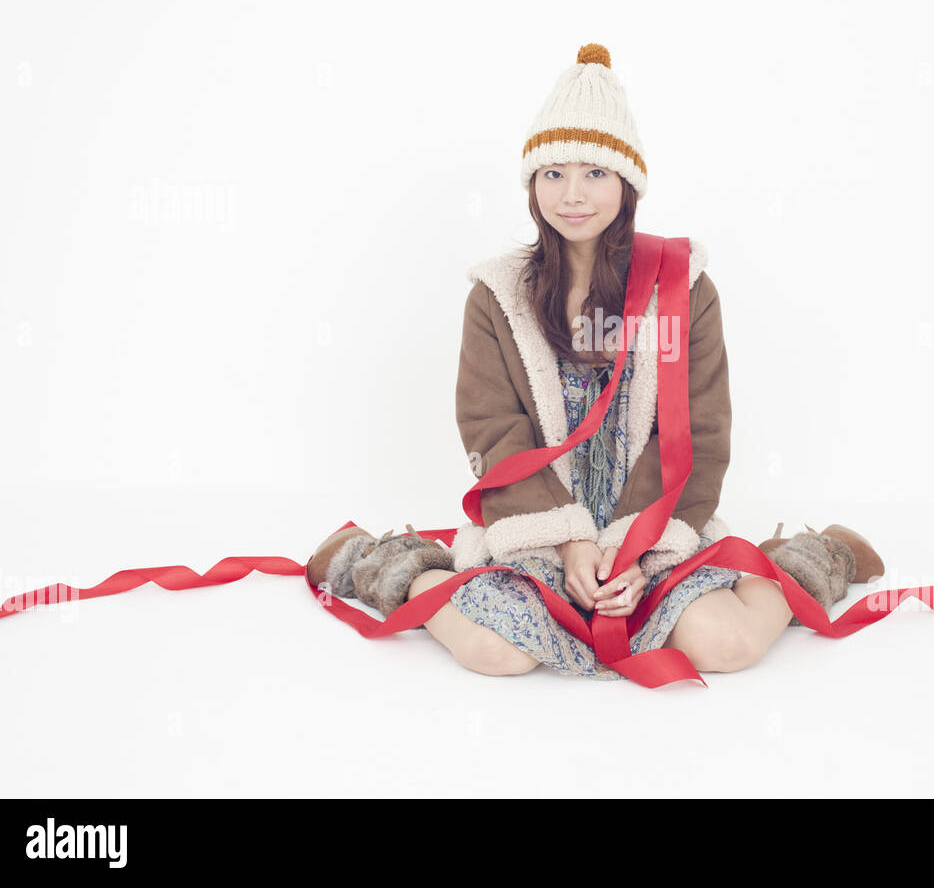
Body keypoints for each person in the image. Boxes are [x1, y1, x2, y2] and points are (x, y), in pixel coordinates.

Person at [305, 43, 881, 679]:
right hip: (539, 527)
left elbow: (699, 434)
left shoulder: (680, 288)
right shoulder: (497, 296)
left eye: (595, 173)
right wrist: (572, 541)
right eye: (553, 174)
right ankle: (383, 562)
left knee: (728, 646)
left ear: (627, 184)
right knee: (497, 655)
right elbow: (495, 433)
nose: (572, 195)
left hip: (654, 527)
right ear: (532, 184)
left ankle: (810, 559)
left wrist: (631, 548)